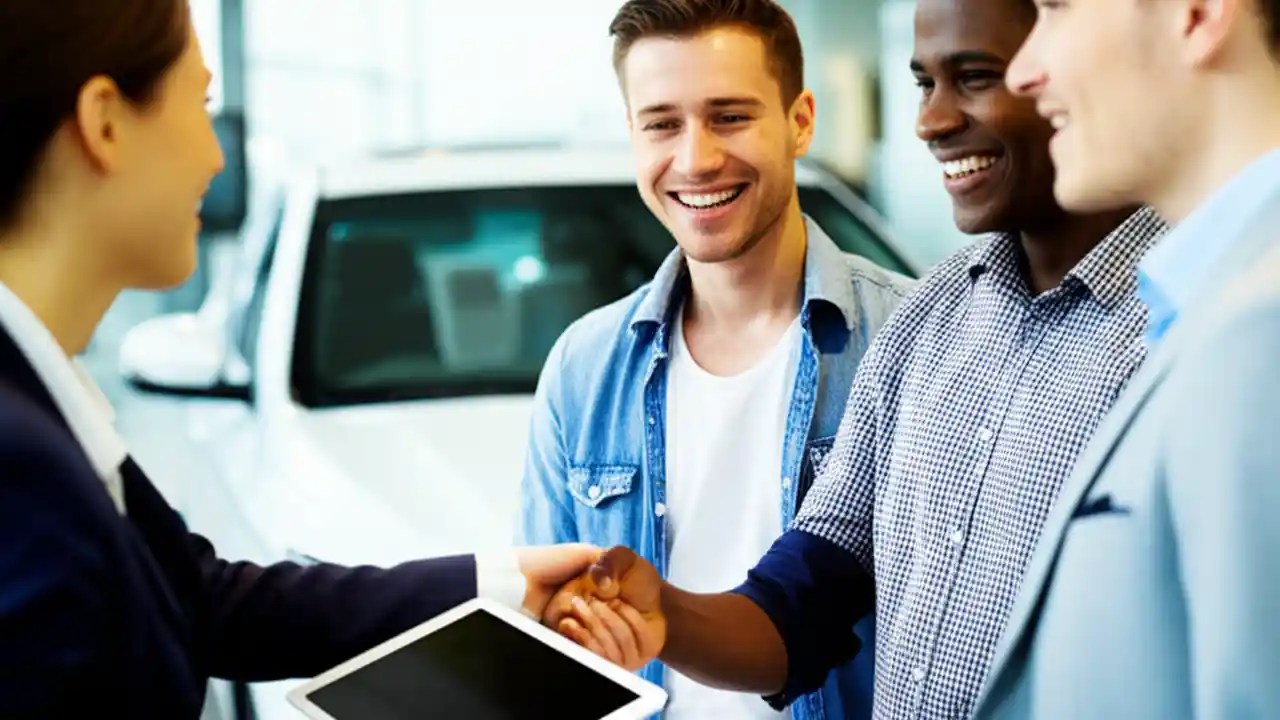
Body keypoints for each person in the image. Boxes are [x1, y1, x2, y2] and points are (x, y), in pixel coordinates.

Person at [546, 0, 1171, 718]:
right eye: (923, 85)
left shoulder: (1191, 327)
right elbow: (803, 602)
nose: (930, 123)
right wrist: (666, 616)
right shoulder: (933, 320)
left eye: (975, 77)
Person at [0, 2, 599, 716]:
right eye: (202, 105)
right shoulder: (18, 461)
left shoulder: (37, 410)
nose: (216, 156)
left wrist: (502, 585)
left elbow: (206, 603)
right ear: (104, 124)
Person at [517, 1, 912, 717]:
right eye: (662, 123)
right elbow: (549, 650)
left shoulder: (913, 339)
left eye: (729, 116)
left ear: (800, 121)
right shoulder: (584, 369)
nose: (696, 159)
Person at [970, 0, 1280, 716]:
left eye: (1056, 9)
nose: (1023, 71)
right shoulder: (1213, 309)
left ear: (1196, 14)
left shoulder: (1260, 337)